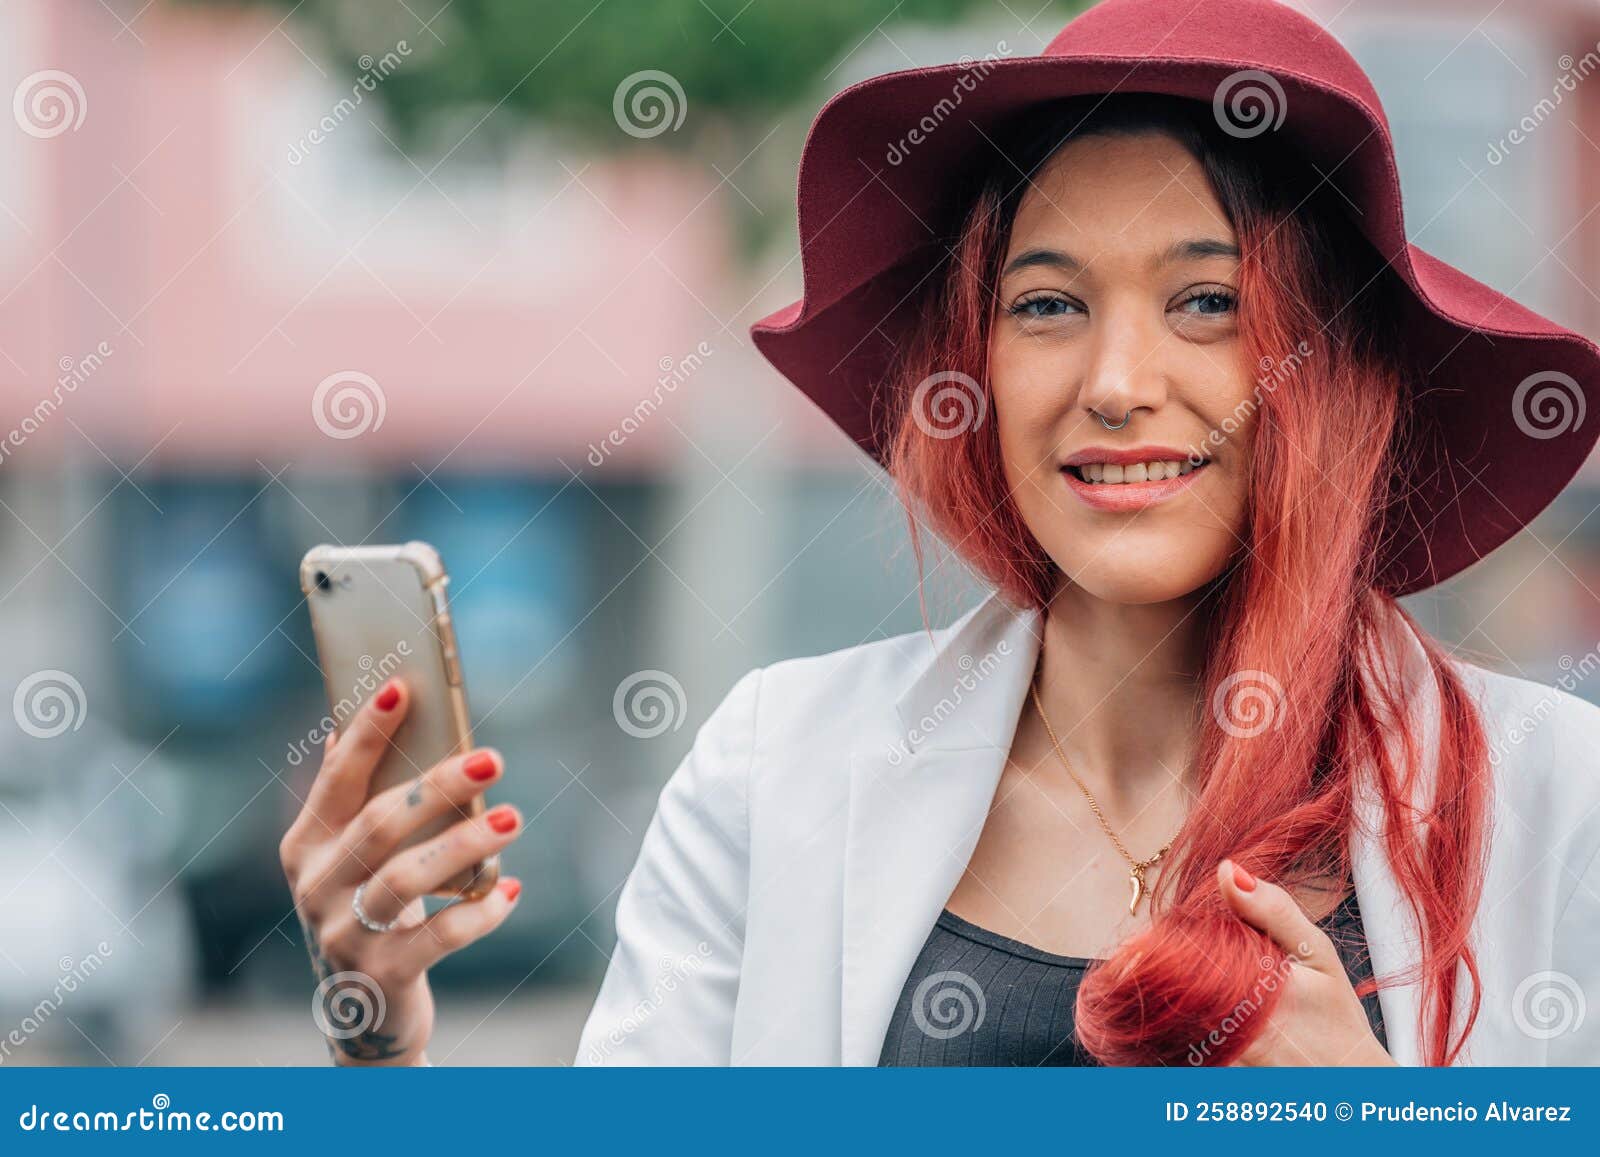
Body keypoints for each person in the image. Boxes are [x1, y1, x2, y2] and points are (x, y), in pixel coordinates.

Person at [279, 0, 1600, 1067]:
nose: (1118, 380)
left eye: (1207, 298)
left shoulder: (1564, 798)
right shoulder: (771, 770)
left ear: (1336, 368)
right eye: (1044, 305)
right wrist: (379, 1029)